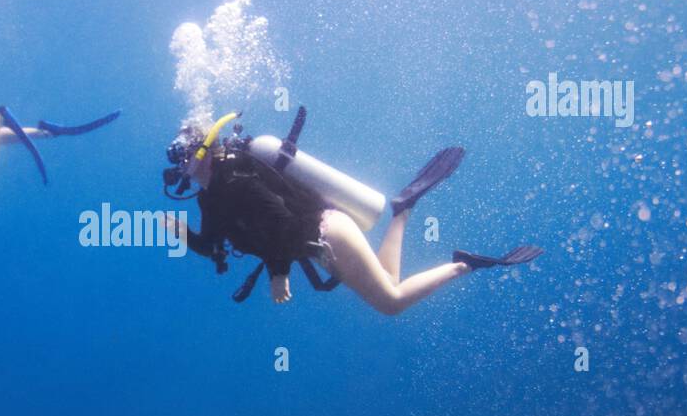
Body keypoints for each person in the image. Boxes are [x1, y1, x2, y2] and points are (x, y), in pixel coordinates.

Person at [163, 113, 542, 313]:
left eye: (182, 155)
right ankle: (402, 209)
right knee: (389, 282)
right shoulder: (209, 198)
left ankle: (464, 264)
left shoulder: (236, 179)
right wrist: (184, 235)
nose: (179, 166)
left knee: (391, 304)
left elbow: (282, 219)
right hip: (317, 244)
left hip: (327, 231)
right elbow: (212, 244)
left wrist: (278, 274)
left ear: (203, 150)